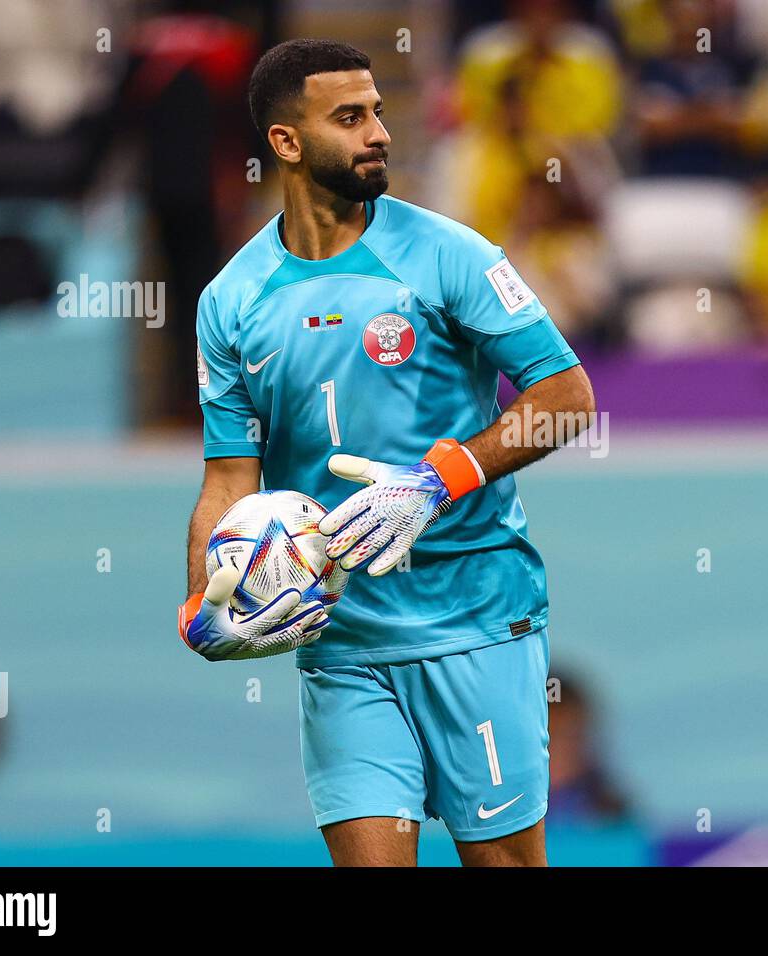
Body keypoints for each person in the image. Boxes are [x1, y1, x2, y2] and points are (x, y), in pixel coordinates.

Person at [176, 39, 596, 867]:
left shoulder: (453, 256)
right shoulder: (229, 302)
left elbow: (566, 400)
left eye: (376, 111)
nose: (379, 133)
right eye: (349, 117)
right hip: (343, 645)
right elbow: (228, 479)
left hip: (474, 620)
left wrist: (437, 482)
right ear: (287, 143)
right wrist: (200, 608)